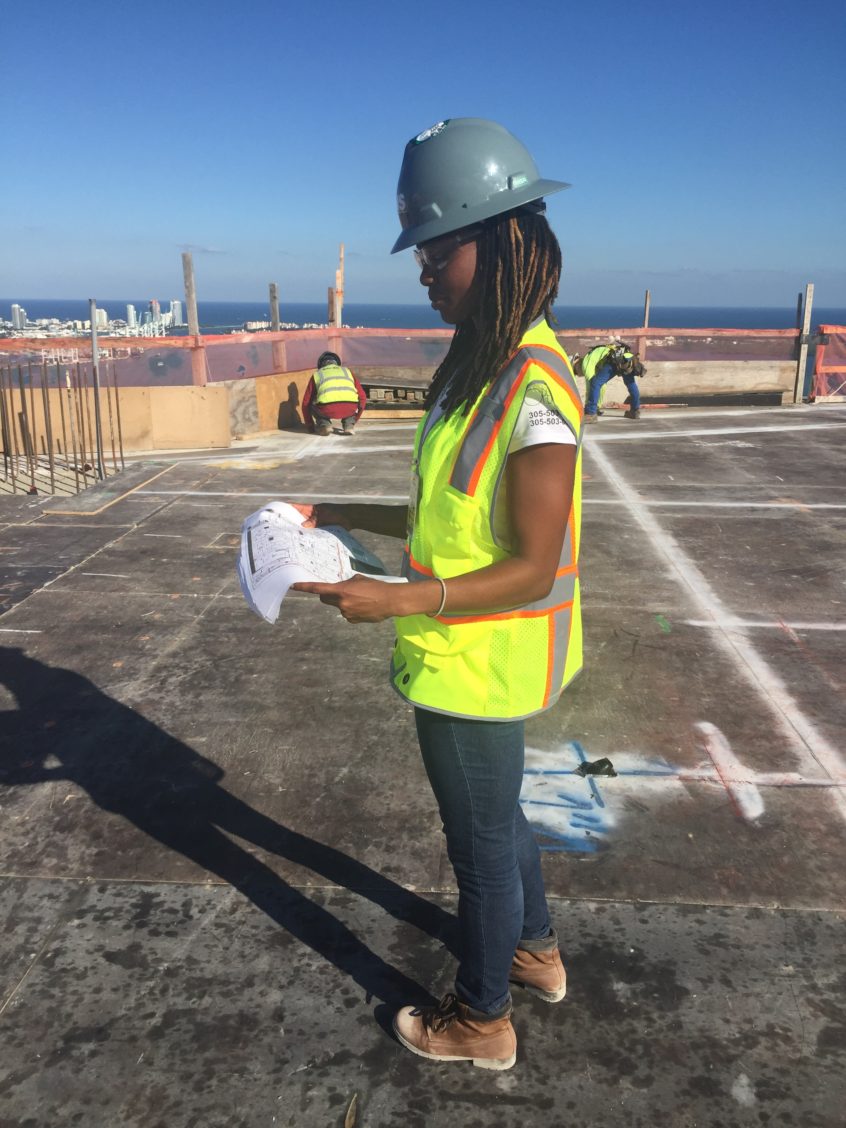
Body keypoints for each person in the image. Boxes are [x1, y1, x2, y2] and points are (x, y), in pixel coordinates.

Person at [291, 118, 583, 1071]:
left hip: (476, 663)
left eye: (435, 249)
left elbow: (534, 566)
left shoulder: (533, 384)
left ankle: (481, 1019)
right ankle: (535, 953)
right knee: (502, 825)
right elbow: (442, 516)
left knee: (482, 851)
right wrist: (339, 507)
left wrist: (392, 601)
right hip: (462, 652)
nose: (423, 272)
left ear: (496, 240)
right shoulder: (482, 364)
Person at [301, 351, 366, 435]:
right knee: (352, 400)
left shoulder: (317, 374)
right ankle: (349, 426)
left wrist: (310, 426)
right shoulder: (347, 371)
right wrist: (355, 419)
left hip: (326, 409)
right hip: (349, 408)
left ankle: (325, 425)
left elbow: (306, 403)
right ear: (337, 363)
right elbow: (363, 397)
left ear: (321, 365)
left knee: (312, 403)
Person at [581, 342, 645, 422]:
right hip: (628, 362)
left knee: (595, 382)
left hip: (615, 362)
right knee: (631, 384)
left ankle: (591, 414)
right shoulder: (614, 349)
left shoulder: (594, 354)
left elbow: (594, 379)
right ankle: (635, 411)